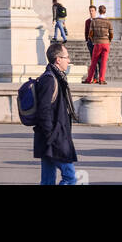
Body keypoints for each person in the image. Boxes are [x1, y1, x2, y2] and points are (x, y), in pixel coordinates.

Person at [33, 40, 79, 185]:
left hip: (52, 137)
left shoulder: (56, 77)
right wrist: (51, 136)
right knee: (70, 177)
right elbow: (44, 111)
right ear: (58, 60)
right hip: (54, 138)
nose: (69, 60)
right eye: (67, 57)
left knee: (47, 181)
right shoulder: (49, 79)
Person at [84, 5, 114, 84]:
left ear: (99, 11)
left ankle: (89, 79)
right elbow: (111, 34)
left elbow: (90, 34)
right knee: (103, 62)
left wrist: (94, 40)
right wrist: (109, 41)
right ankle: (101, 79)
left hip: (97, 44)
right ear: (105, 11)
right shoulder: (108, 22)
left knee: (93, 62)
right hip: (106, 44)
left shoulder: (94, 21)